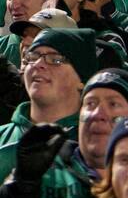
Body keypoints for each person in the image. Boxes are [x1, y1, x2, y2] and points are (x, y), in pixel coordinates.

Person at [0, 28, 94, 179]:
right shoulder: (2, 137)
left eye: (55, 59)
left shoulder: (97, 143)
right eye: (32, 56)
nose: (38, 64)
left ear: (82, 80)